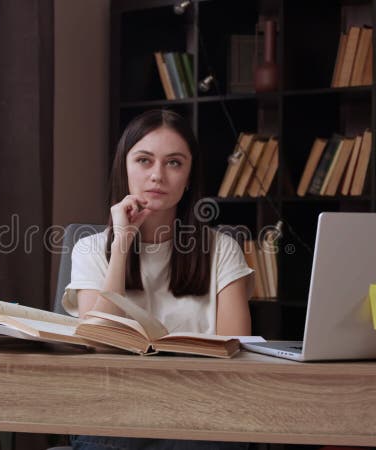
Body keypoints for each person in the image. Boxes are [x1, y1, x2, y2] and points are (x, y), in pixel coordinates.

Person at [61, 109, 254, 450]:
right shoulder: (90, 249)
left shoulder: (221, 249)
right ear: (125, 167)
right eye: (144, 160)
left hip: (201, 412)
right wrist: (122, 242)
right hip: (115, 411)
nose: (157, 176)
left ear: (190, 175)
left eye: (174, 163)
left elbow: (235, 350)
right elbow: (98, 342)